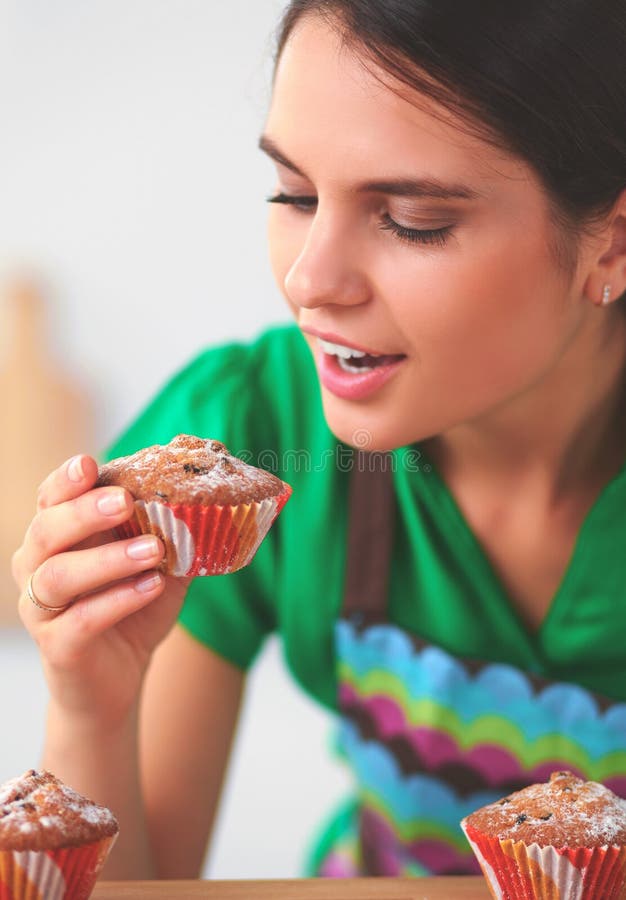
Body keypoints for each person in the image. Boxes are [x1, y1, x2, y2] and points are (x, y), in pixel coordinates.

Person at [11, 0, 626, 880]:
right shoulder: (258, 429)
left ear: (611, 242)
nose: (309, 281)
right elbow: (142, 886)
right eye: (293, 195)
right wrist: (91, 702)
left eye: (412, 219)